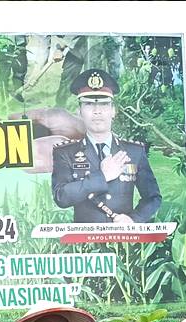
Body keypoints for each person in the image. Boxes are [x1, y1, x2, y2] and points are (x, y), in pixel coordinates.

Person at [51, 68, 162, 224]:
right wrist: (102, 177)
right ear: (79, 111)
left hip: (123, 237)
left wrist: (133, 219)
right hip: (85, 238)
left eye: (104, 104)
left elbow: (153, 197)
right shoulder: (65, 153)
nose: (97, 111)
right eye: (89, 104)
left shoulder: (134, 152)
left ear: (113, 111)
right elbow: (61, 197)